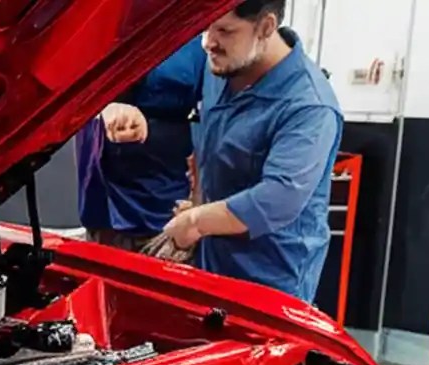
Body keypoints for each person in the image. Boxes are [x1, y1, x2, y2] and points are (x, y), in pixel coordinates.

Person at [114, 0, 344, 303]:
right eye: (205, 27)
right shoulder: (222, 68)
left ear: (265, 27)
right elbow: (209, 148)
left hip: (271, 282)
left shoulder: (309, 106)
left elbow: (277, 199)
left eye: (223, 30)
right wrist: (198, 203)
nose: (208, 42)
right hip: (213, 265)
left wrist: (196, 221)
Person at [76, 37, 206, 252]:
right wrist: (101, 105)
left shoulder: (200, 38)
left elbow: (214, 118)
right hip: (99, 205)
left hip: (163, 213)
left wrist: (200, 203)